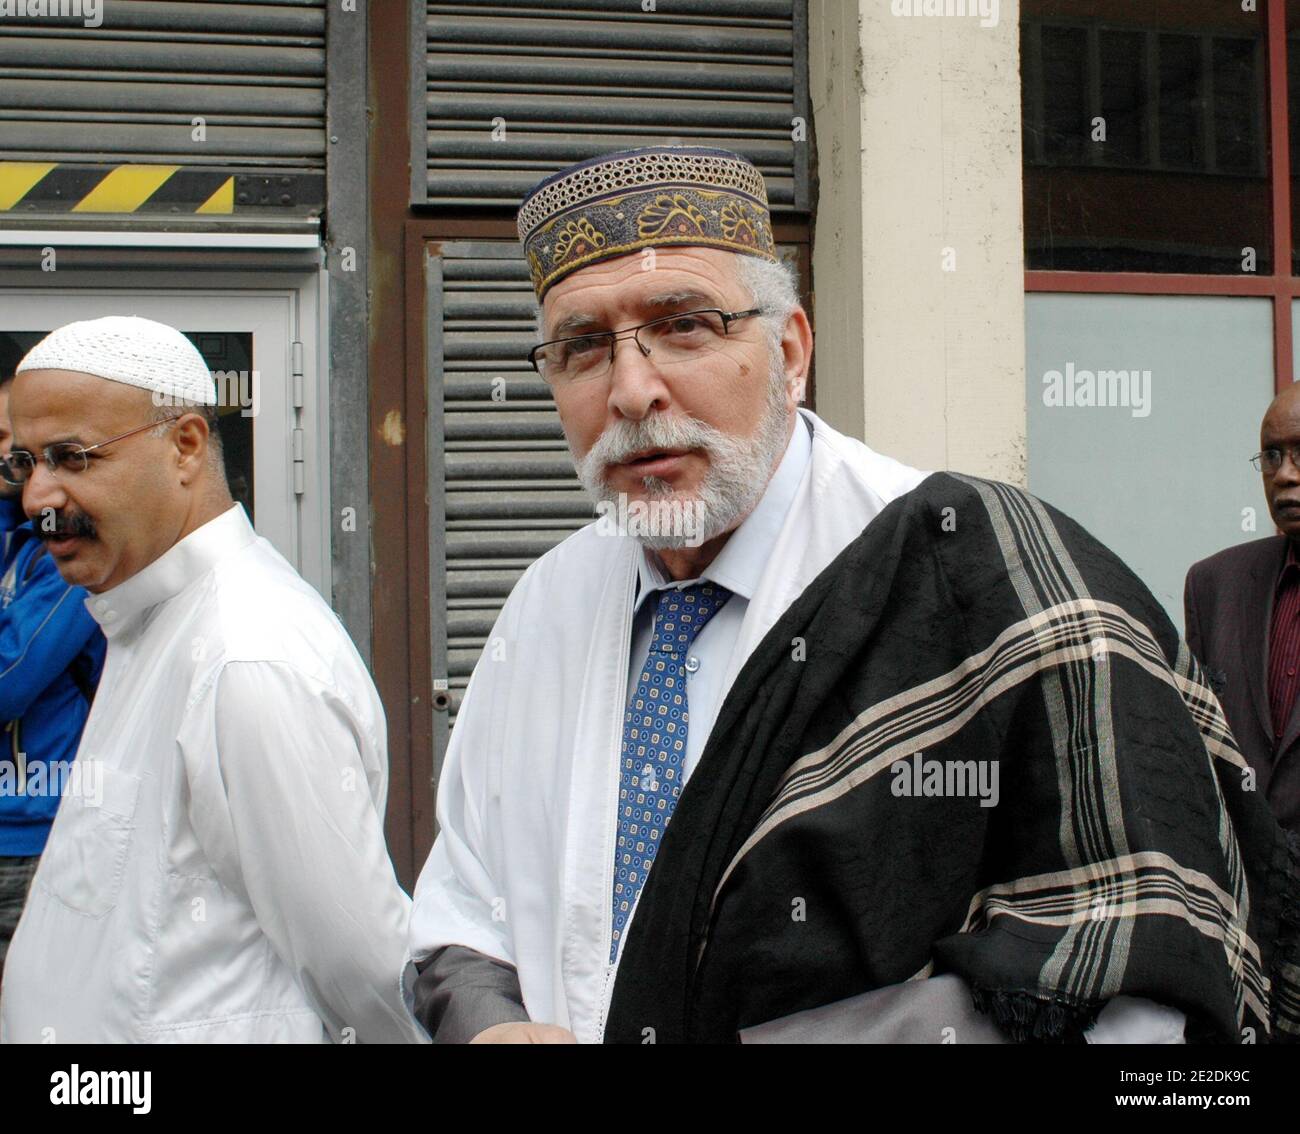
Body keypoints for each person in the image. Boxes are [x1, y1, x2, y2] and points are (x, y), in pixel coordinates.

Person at [407, 147, 1298, 1044]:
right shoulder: (544, 606)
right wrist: (488, 1027)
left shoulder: (967, 574)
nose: (632, 391)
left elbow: (1138, 982)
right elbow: (459, 911)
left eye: (684, 325)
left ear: (789, 351)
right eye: (583, 347)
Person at [0, 316, 425, 1043]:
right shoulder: (145, 618)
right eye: (24, 463)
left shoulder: (247, 654)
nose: (39, 498)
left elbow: (361, 969)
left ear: (186, 446)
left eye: (72, 458)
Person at [0, 369, 105, 984]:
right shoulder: (16, 539)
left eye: (19, 444)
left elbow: (10, 680)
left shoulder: (66, 551)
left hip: (34, 830)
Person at [1185, 384, 1300, 837]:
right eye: (1271, 456)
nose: (1285, 475)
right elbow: (1193, 744)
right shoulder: (1215, 584)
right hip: (1240, 891)